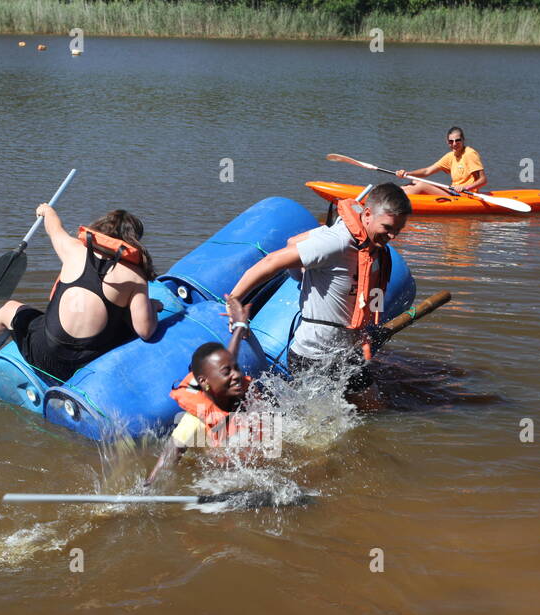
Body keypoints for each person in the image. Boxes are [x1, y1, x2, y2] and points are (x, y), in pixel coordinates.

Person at [220, 182, 410, 402]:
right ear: (367, 215)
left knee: (371, 406)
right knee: (327, 420)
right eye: (387, 228)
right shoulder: (335, 242)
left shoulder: (377, 249)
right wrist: (234, 298)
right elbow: (273, 261)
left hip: (344, 351)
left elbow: (374, 289)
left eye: (398, 230)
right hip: (314, 354)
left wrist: (367, 330)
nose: (393, 236)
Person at [0, 207, 161, 384]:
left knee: (9, 309)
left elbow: (54, 229)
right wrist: (152, 307)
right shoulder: (135, 277)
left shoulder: (73, 249)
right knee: (124, 321)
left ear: (99, 230)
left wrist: (47, 211)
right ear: (133, 242)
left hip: (43, 354)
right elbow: (145, 331)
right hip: (84, 366)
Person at [145, 327, 255, 486]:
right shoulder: (193, 422)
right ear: (206, 384)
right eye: (225, 373)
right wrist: (149, 489)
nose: (236, 376)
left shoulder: (245, 393)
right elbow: (168, 459)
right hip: (221, 475)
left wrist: (239, 327)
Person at [395, 126, 487, 196]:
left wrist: (465, 187)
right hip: (453, 191)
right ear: (447, 142)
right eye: (451, 141)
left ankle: (396, 199)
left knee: (421, 185)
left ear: (463, 140)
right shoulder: (450, 156)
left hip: (465, 194)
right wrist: (407, 173)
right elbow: (427, 171)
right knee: (415, 181)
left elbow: (483, 180)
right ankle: (393, 193)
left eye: (457, 140)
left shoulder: (470, 154)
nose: (454, 144)